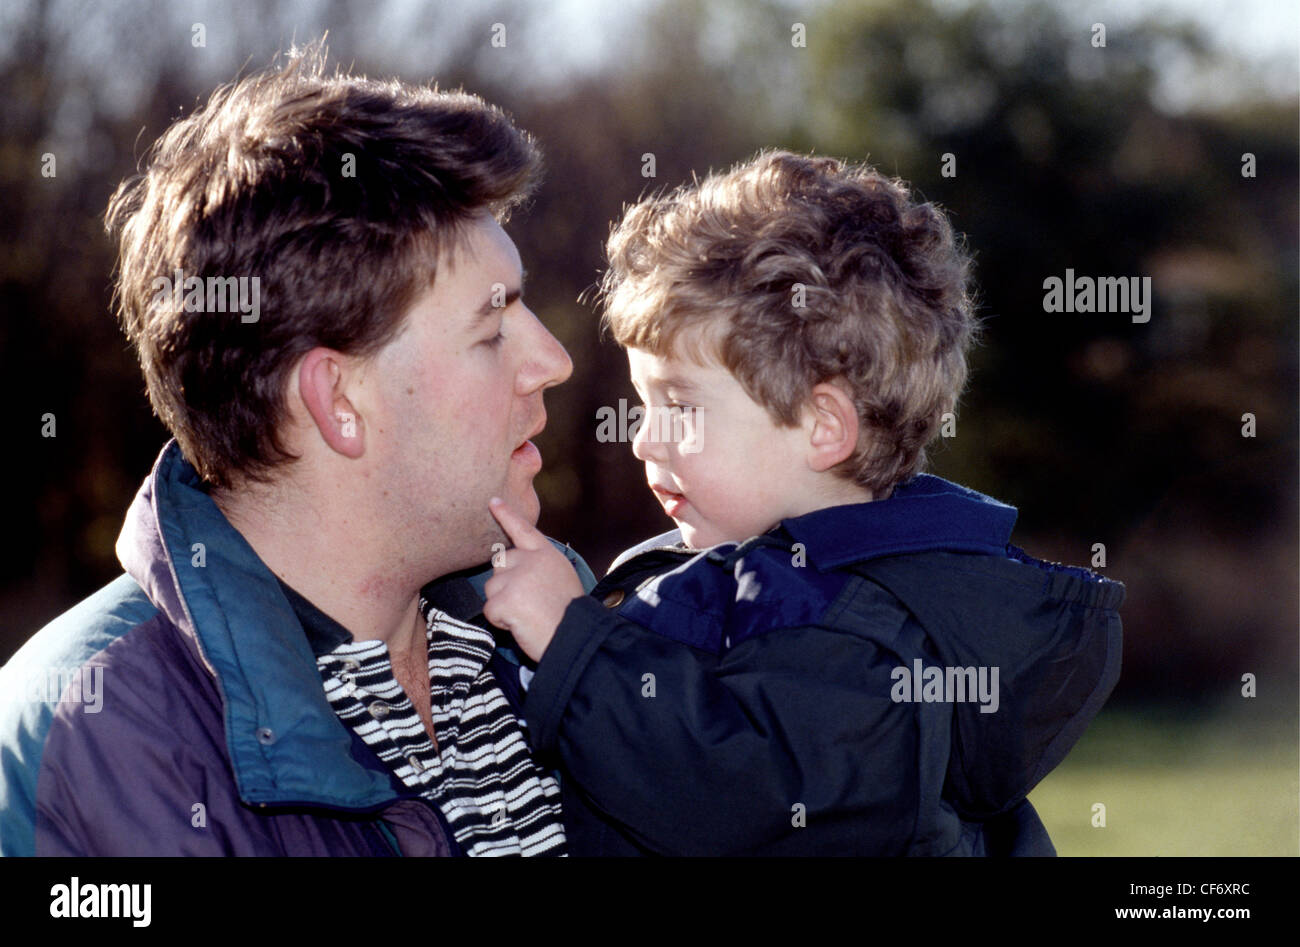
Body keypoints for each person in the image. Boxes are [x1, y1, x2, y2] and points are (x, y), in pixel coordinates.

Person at [0, 45, 588, 856]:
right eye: (492, 331)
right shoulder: (83, 744)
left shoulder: (578, 630)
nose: (554, 361)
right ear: (338, 403)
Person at [481, 150, 1126, 855]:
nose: (643, 442)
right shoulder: (753, 578)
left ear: (824, 426)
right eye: (643, 404)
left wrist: (571, 642)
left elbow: (736, 798)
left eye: (680, 406)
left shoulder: (860, 636)